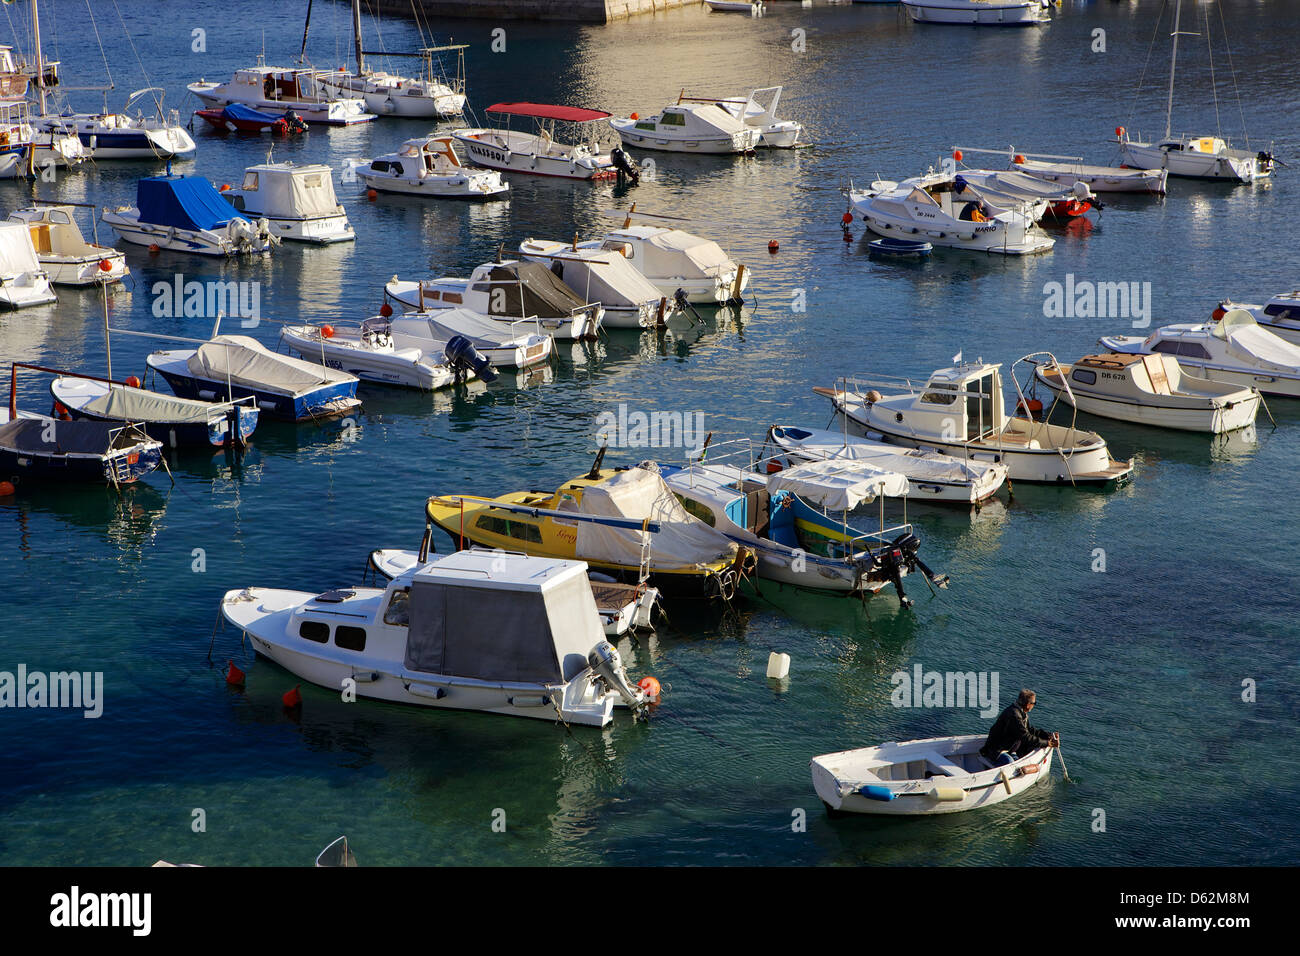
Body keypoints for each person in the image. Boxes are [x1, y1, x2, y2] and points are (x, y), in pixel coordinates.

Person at [980, 689, 1058, 765]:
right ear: (1028, 705)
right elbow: (1025, 737)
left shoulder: (1020, 712)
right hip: (996, 750)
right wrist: (1046, 743)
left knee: (1019, 761)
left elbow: (1029, 730)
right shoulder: (1014, 716)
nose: (1034, 705)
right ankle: (992, 765)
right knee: (1010, 762)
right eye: (1034, 703)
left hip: (1009, 749)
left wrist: (1048, 735)